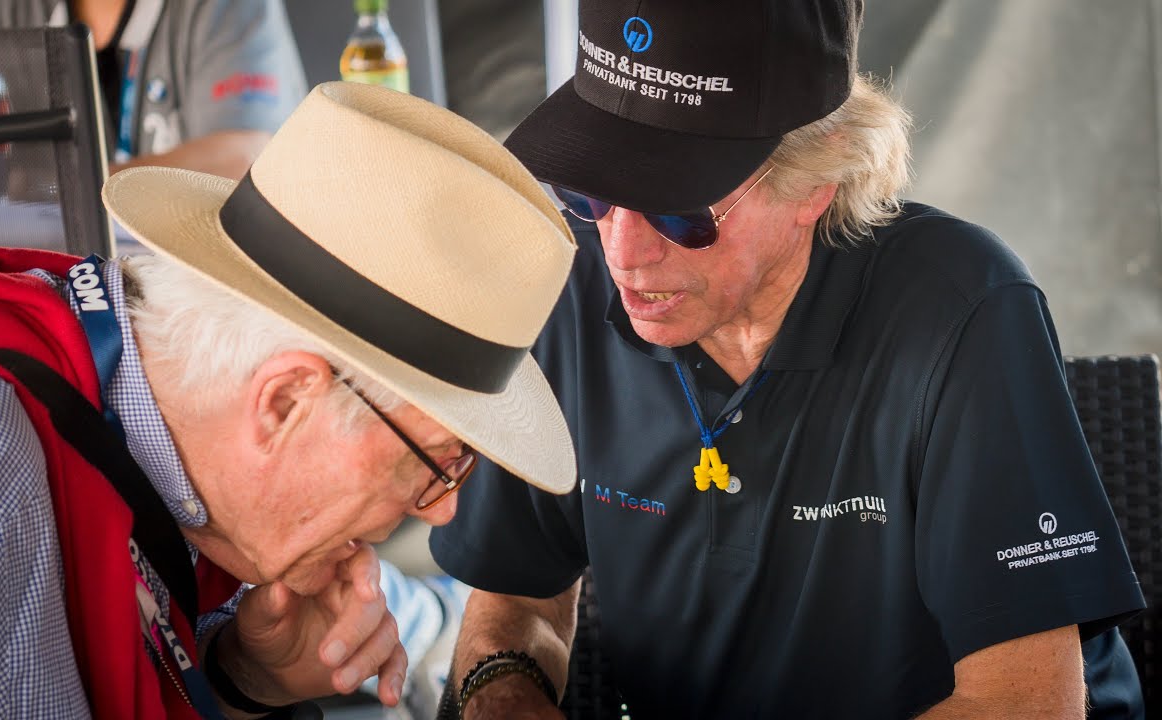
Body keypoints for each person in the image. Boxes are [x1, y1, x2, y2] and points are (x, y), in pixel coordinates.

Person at [429, 0, 1148, 718]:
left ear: (814, 181)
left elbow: (1024, 705)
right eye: (589, 193)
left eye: (680, 212)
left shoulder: (966, 310)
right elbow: (515, 595)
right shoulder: (571, 285)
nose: (624, 253)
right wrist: (501, 691)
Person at [0, 81, 577, 718]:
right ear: (282, 402)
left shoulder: (165, 469)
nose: (446, 506)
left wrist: (243, 680)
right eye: (438, 463)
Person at [0, 0, 308, 180]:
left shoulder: (226, 8)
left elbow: (249, 157)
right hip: (56, 271)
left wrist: (84, 194)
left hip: (197, 281)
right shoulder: (14, 10)